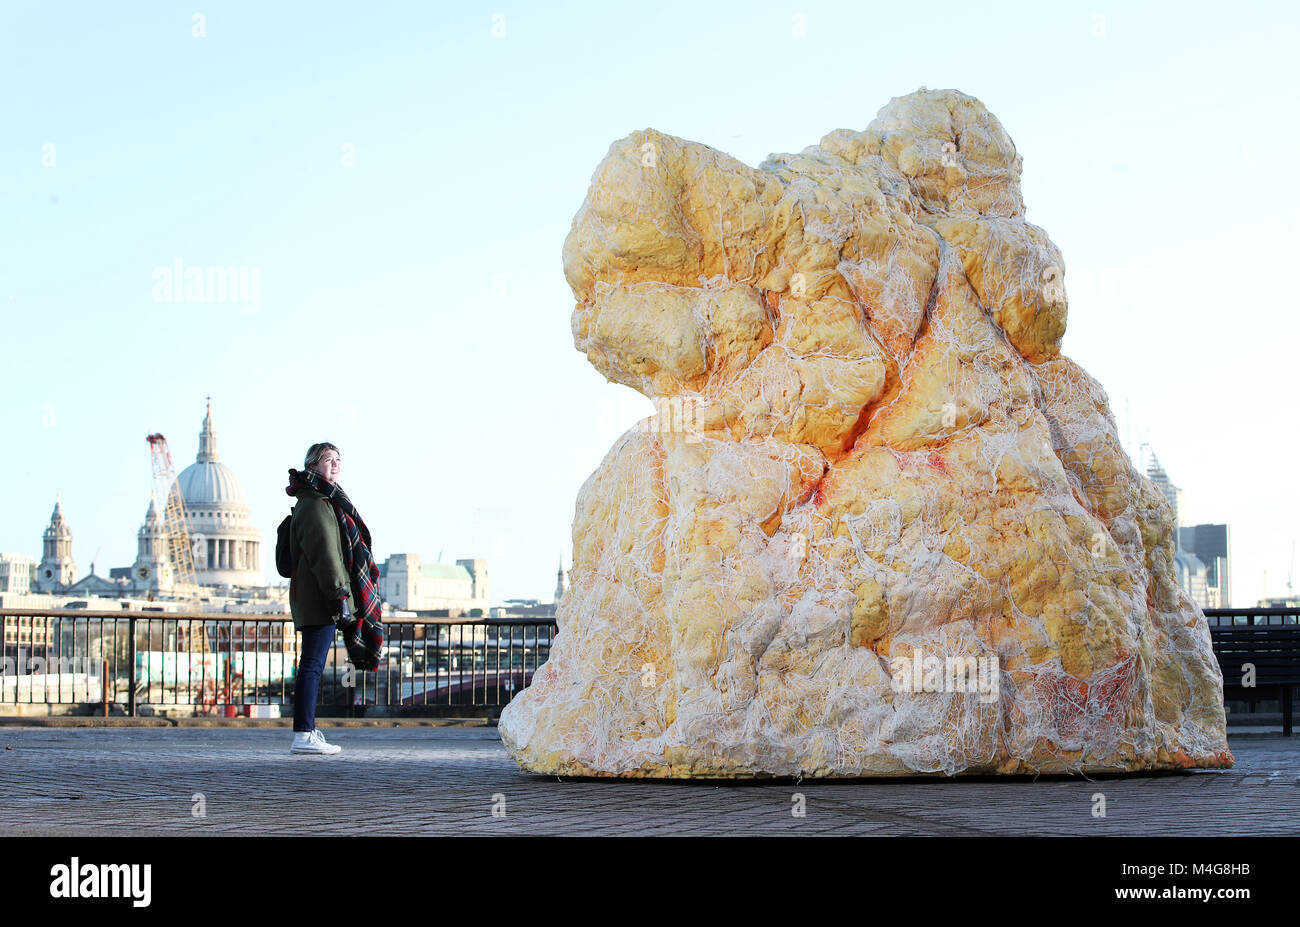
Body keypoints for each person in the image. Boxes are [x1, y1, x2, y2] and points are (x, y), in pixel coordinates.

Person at [284, 442, 354, 755]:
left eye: (339, 459)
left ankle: (307, 730)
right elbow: (327, 556)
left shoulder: (316, 500)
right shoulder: (316, 504)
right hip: (320, 598)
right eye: (329, 460)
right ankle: (303, 734)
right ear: (313, 465)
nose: (336, 465)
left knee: (310, 665)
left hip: (314, 595)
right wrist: (340, 596)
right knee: (311, 666)